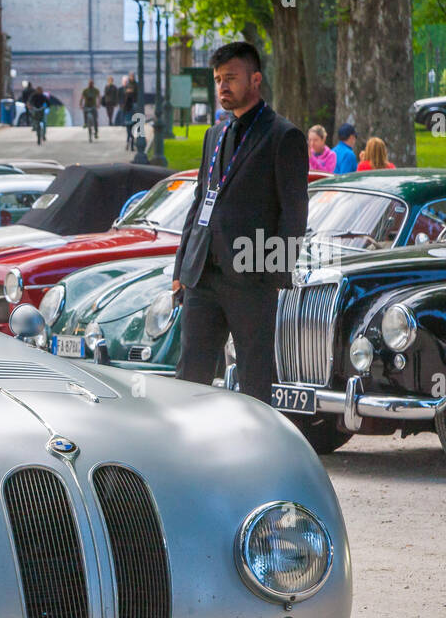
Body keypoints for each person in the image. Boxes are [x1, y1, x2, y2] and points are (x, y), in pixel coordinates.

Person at [171, 41, 309, 405]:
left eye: (230, 78)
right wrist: (181, 266)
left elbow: (294, 213)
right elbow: (199, 203)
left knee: (254, 377)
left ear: (256, 79)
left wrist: (275, 275)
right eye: (218, 80)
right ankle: (186, 451)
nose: (222, 87)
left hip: (252, 277)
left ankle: (258, 454)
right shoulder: (213, 136)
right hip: (202, 275)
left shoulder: (283, 136)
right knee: (190, 375)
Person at [122, 75, 139, 149]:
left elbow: (124, 111)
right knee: (132, 130)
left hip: (128, 118)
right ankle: (131, 142)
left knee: (128, 130)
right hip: (133, 117)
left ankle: (128, 141)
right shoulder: (134, 105)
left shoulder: (126, 104)